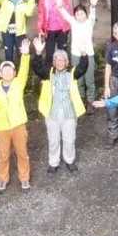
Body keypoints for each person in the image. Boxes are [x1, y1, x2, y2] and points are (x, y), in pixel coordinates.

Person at [0, 46, 34, 191]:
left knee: (22, 153)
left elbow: (24, 69)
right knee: (3, 155)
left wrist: (25, 54)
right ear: (0, 73)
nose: (7, 72)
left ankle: (24, 179)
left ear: (14, 73)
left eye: (10, 70)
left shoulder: (19, 83)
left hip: (18, 125)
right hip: (2, 128)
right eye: (4, 70)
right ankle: (3, 179)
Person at [35, 46, 86, 174]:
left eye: (62, 60)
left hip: (69, 113)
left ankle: (69, 160)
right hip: (52, 113)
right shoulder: (49, 74)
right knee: (53, 140)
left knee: (69, 139)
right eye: (57, 60)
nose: (60, 62)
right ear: (54, 62)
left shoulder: (72, 74)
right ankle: (53, 162)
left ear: (67, 62)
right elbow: (37, 67)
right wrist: (38, 52)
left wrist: (84, 54)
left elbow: (82, 68)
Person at [37, 0, 75, 64]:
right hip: (49, 30)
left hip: (63, 28)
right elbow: (41, 15)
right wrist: (40, 28)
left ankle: (64, 70)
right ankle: (49, 72)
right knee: (49, 52)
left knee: (63, 51)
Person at [69, 0, 99, 106]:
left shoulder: (89, 23)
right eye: (77, 14)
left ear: (85, 15)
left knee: (89, 79)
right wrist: (59, 6)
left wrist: (93, 6)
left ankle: (90, 101)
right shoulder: (73, 22)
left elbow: (93, 15)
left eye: (82, 14)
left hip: (89, 55)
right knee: (78, 79)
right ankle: (80, 99)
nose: (80, 16)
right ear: (74, 16)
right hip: (76, 55)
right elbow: (65, 14)